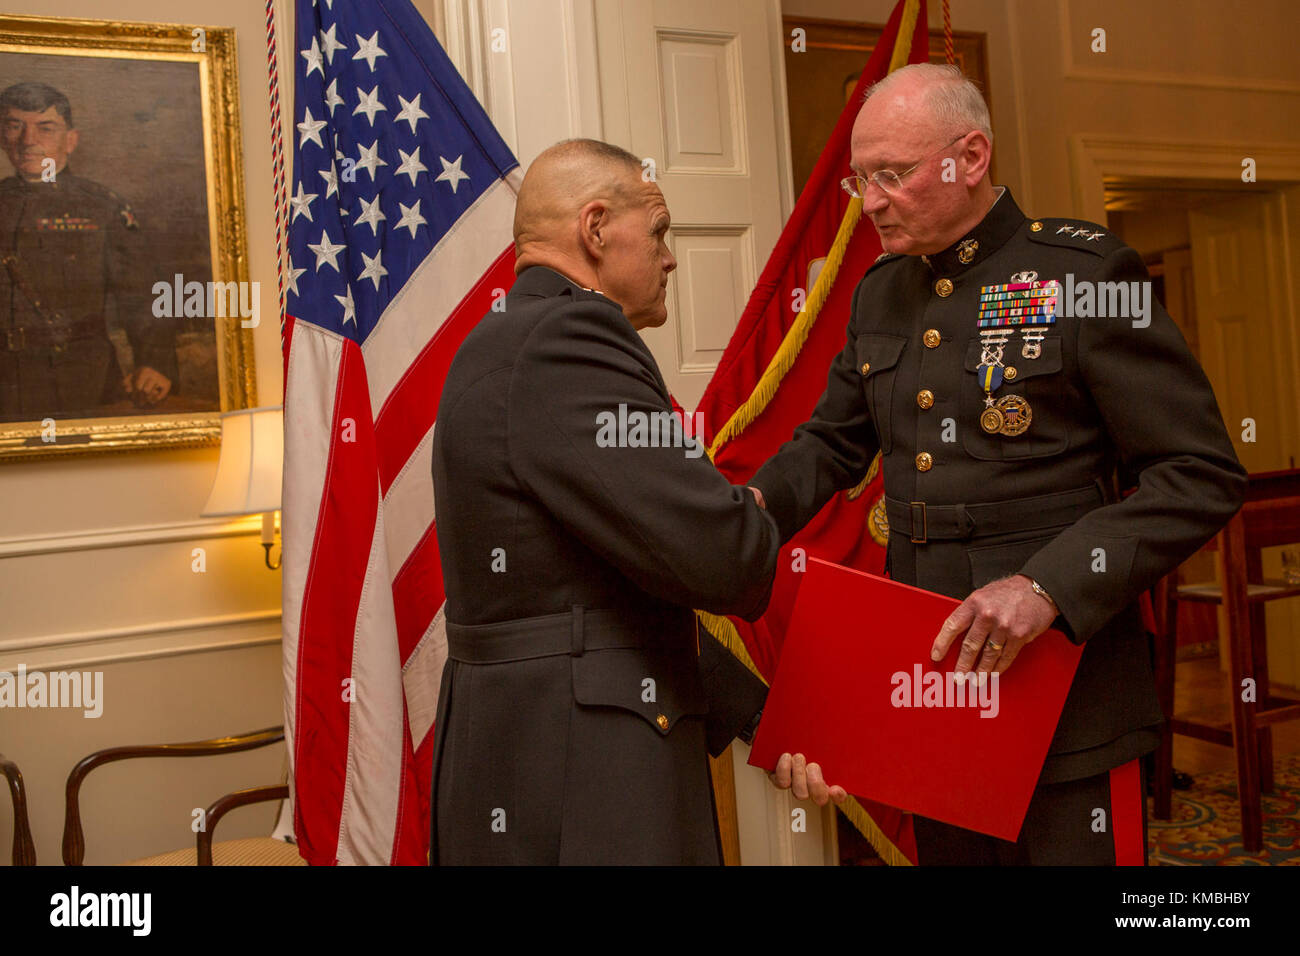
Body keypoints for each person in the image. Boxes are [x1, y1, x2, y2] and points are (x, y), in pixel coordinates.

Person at [747, 64, 1246, 865]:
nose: (871, 201)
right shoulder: (880, 291)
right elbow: (831, 444)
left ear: (969, 157)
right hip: (938, 682)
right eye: (859, 179)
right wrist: (738, 514)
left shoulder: (1082, 277)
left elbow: (1199, 473)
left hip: (1062, 686)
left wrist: (1048, 586)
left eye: (893, 175)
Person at [430, 138, 844, 865]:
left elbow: (598, 594)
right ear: (595, 229)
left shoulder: (496, 341)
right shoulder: (573, 335)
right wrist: (801, 470)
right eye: (658, 232)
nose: (672, 257)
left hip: (521, 759)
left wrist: (762, 715)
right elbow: (724, 558)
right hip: (589, 775)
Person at [0, 82, 177, 422]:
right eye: (14, 125)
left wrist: (154, 361)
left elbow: (144, 293)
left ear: (71, 140)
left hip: (82, 377)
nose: (28, 141)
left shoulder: (100, 207)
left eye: (45, 128)